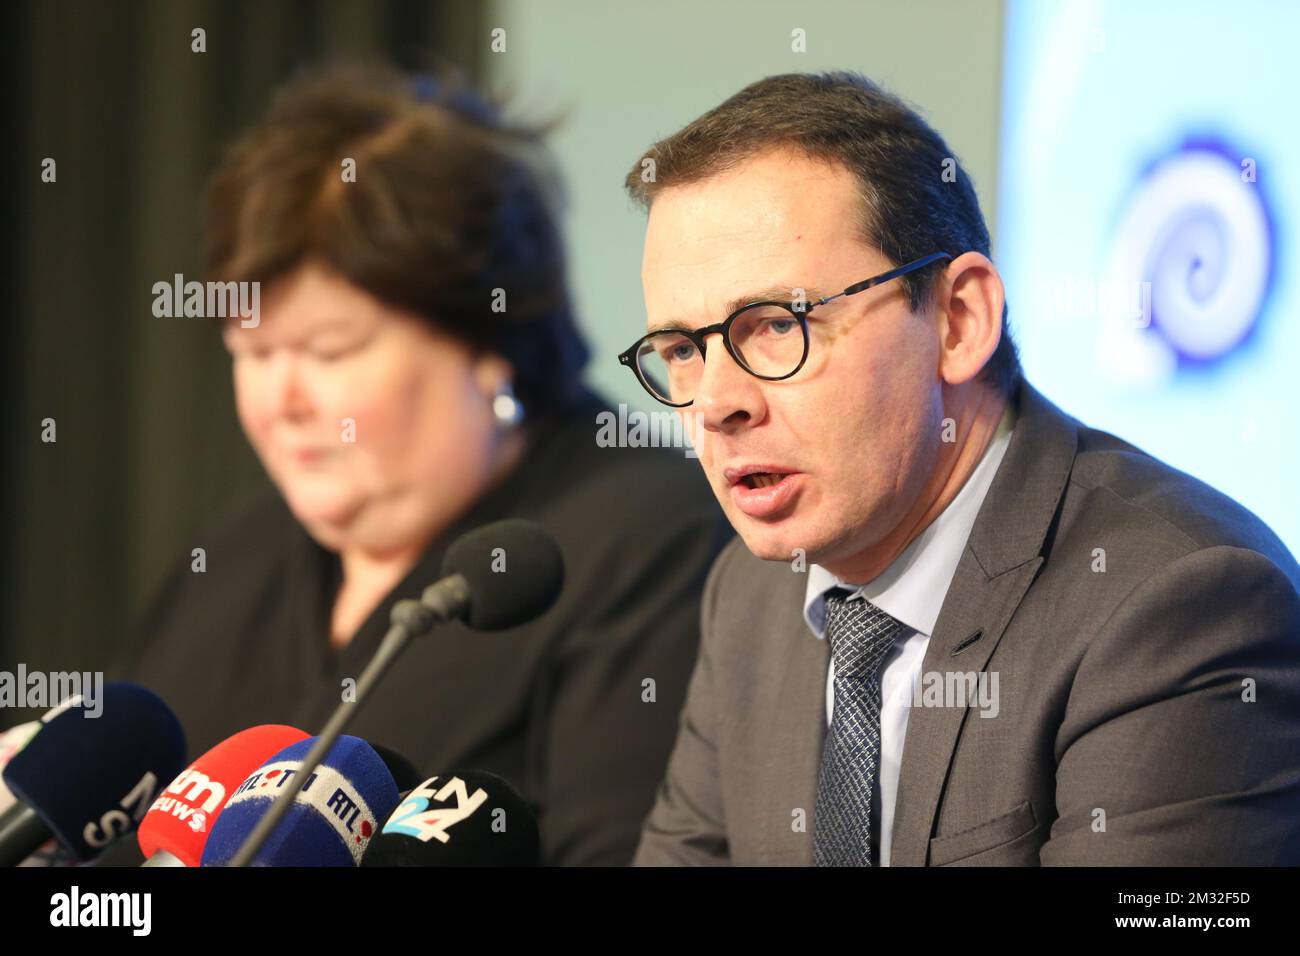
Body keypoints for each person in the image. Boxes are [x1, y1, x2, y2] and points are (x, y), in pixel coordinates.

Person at [620, 72, 1300, 866]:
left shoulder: (1179, 605)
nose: (716, 404)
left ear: (959, 320)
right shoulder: (747, 596)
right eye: (681, 350)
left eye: (776, 324)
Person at [110, 63, 729, 866]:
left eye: (329, 349)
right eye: (251, 352)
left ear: (487, 345)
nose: (281, 399)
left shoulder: (653, 538)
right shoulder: (234, 557)